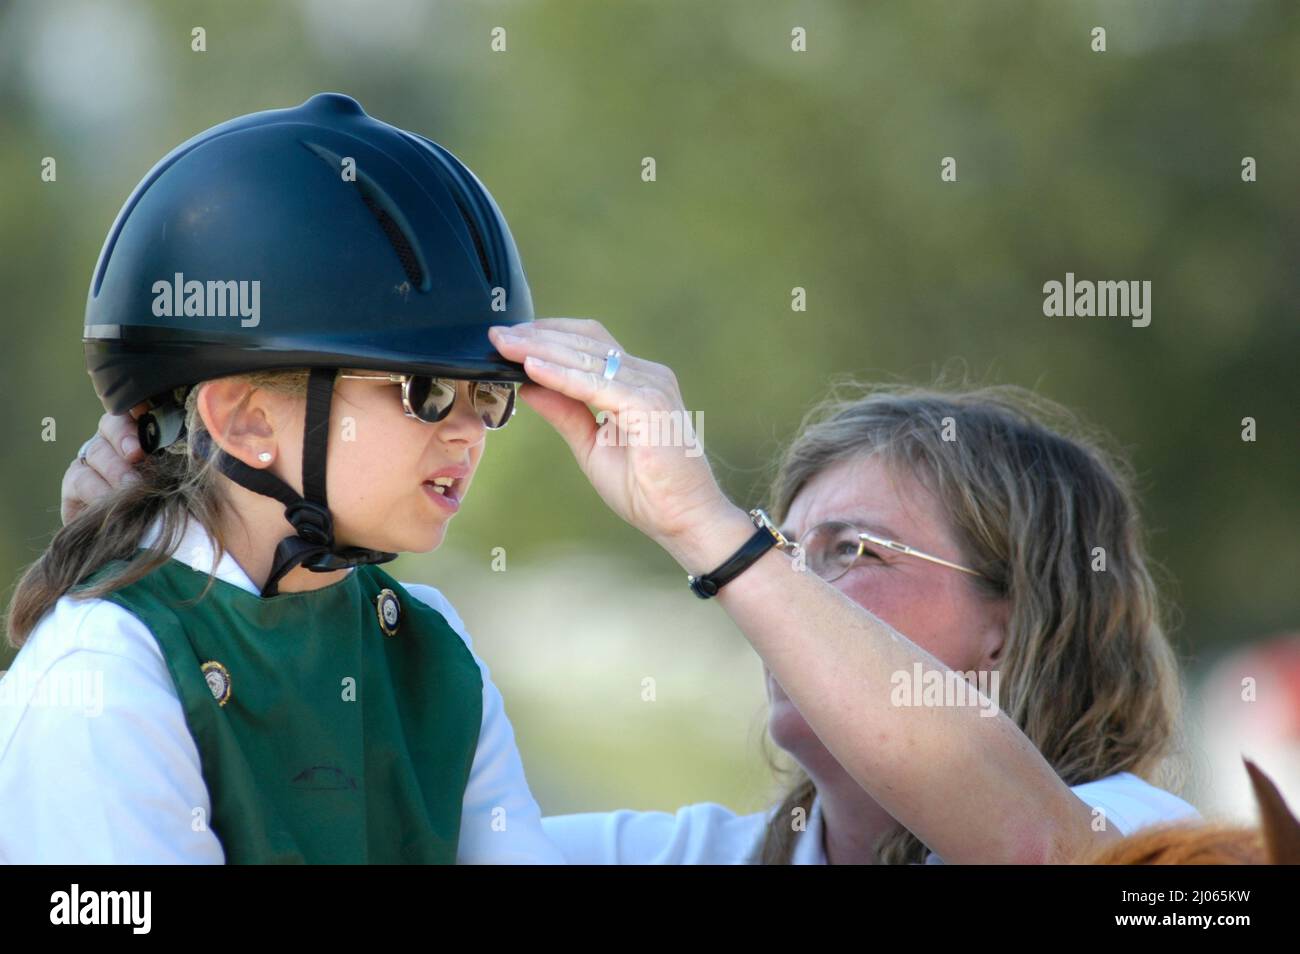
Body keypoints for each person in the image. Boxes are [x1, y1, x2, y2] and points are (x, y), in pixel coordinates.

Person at [68, 321, 1203, 862]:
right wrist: (182, 541)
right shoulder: (707, 858)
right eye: (784, 546)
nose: (786, 595)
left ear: (1015, 621)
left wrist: (703, 525)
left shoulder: (1164, 845)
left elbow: (1043, 854)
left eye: (852, 551)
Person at [0, 93, 562, 863]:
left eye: (488, 394)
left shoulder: (431, 650)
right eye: (423, 391)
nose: (468, 429)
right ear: (246, 421)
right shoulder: (103, 671)